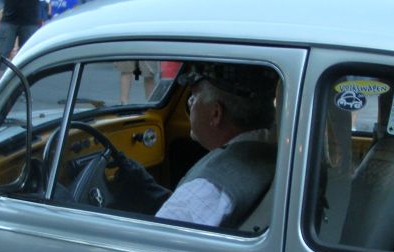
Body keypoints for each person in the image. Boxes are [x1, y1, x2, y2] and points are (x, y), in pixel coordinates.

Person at [113, 63, 278, 228]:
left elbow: (152, 246)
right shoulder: (274, 151)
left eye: (194, 96)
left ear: (216, 114)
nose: (190, 103)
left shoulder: (207, 189)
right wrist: (151, 192)